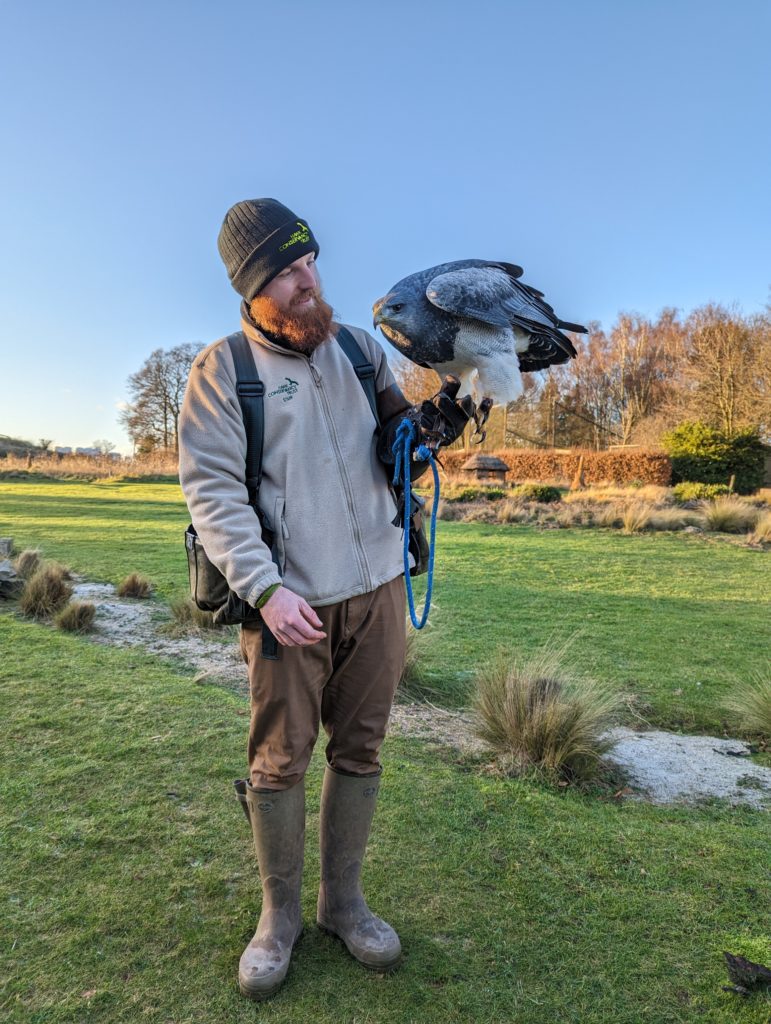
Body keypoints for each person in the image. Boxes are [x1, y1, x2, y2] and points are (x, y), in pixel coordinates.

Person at [178, 198, 474, 1000]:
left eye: (310, 261)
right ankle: (278, 920)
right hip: (289, 606)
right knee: (278, 763)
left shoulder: (355, 348)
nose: (309, 281)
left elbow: (394, 451)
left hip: (379, 589)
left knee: (363, 751)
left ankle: (343, 904)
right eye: (286, 271)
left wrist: (432, 428)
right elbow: (212, 496)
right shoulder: (222, 373)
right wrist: (266, 592)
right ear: (250, 287)